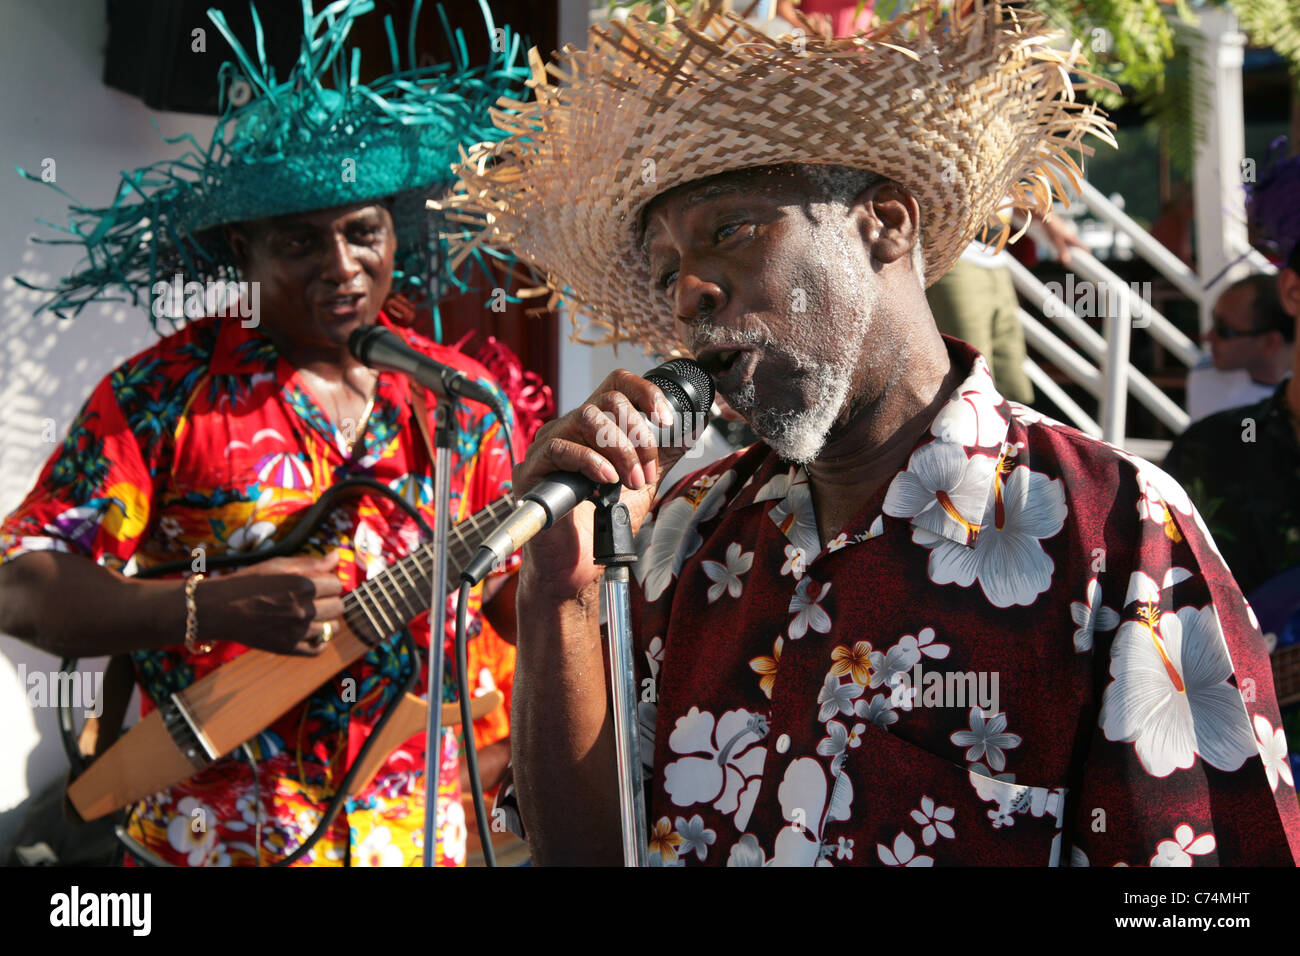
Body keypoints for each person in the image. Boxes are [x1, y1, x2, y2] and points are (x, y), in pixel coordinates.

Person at [442, 1, 1300, 865]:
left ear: (885, 222)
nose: (690, 293)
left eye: (730, 231)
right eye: (668, 271)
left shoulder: (1114, 528)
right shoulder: (679, 529)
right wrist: (561, 595)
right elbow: (586, 851)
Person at [0, 0, 527, 867]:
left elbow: (509, 596)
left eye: (363, 231)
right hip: (210, 843)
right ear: (241, 248)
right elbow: (21, 588)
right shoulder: (166, 393)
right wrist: (203, 606)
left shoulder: (461, 397)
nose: (342, 265)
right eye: (299, 241)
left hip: (415, 842)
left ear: (396, 228)